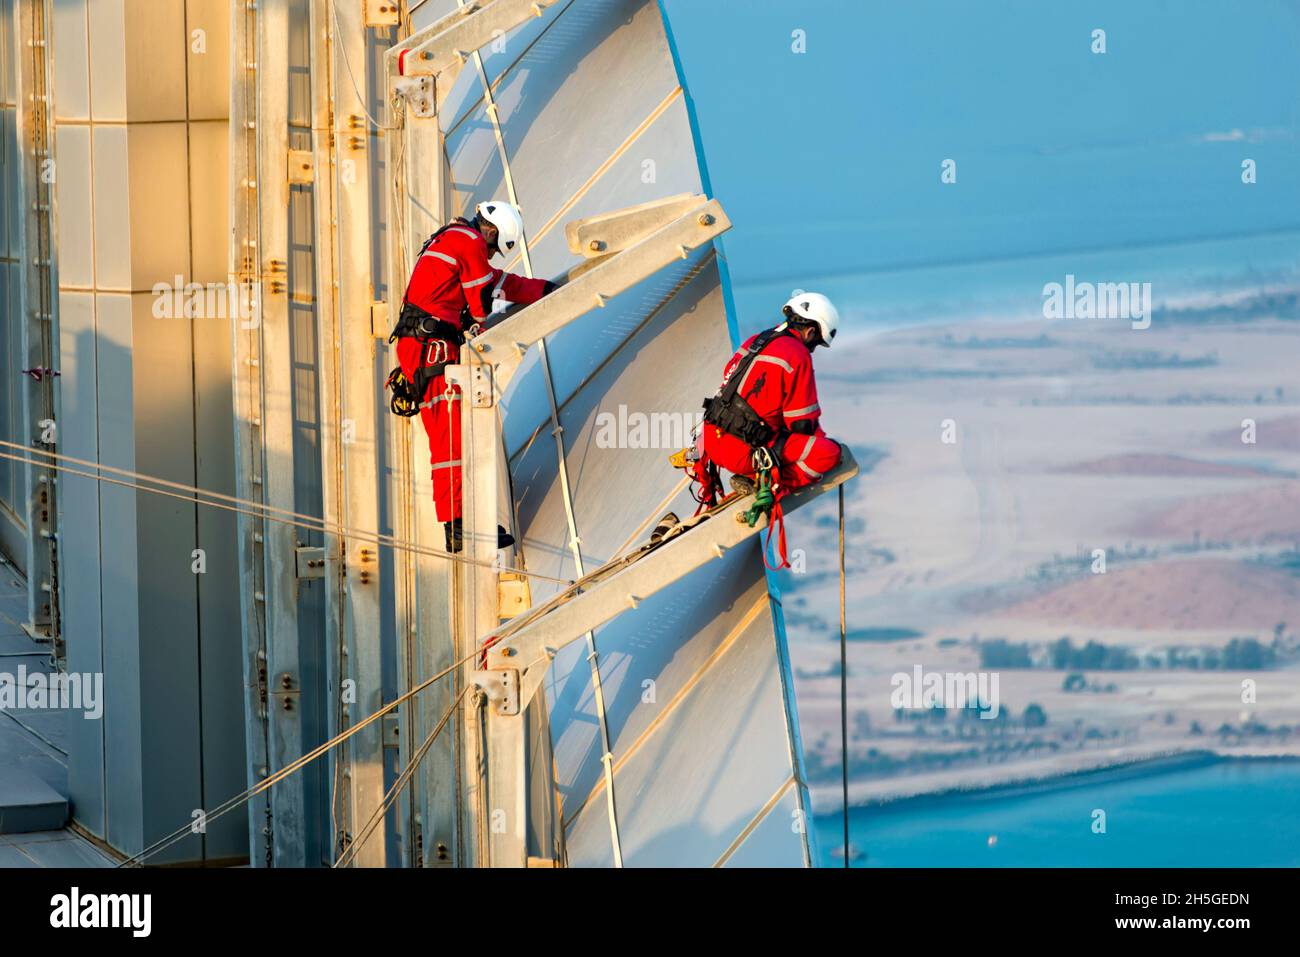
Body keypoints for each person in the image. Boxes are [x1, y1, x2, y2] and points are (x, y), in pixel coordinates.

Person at [388, 200, 555, 553]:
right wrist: (477, 322)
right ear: (491, 233)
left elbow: (500, 283)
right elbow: (480, 298)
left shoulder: (455, 241)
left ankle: (462, 520)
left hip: (425, 345)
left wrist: (543, 290)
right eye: (494, 249)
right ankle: (457, 526)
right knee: (448, 439)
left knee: (453, 434)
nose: (491, 255)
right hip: (429, 346)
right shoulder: (470, 242)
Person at [692, 291, 844, 511]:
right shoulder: (798, 355)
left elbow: (729, 380)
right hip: (742, 452)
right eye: (816, 343)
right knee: (829, 453)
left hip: (710, 440)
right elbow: (802, 423)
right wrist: (819, 442)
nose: (813, 349)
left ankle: (755, 475)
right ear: (811, 331)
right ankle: (769, 485)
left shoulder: (756, 340)